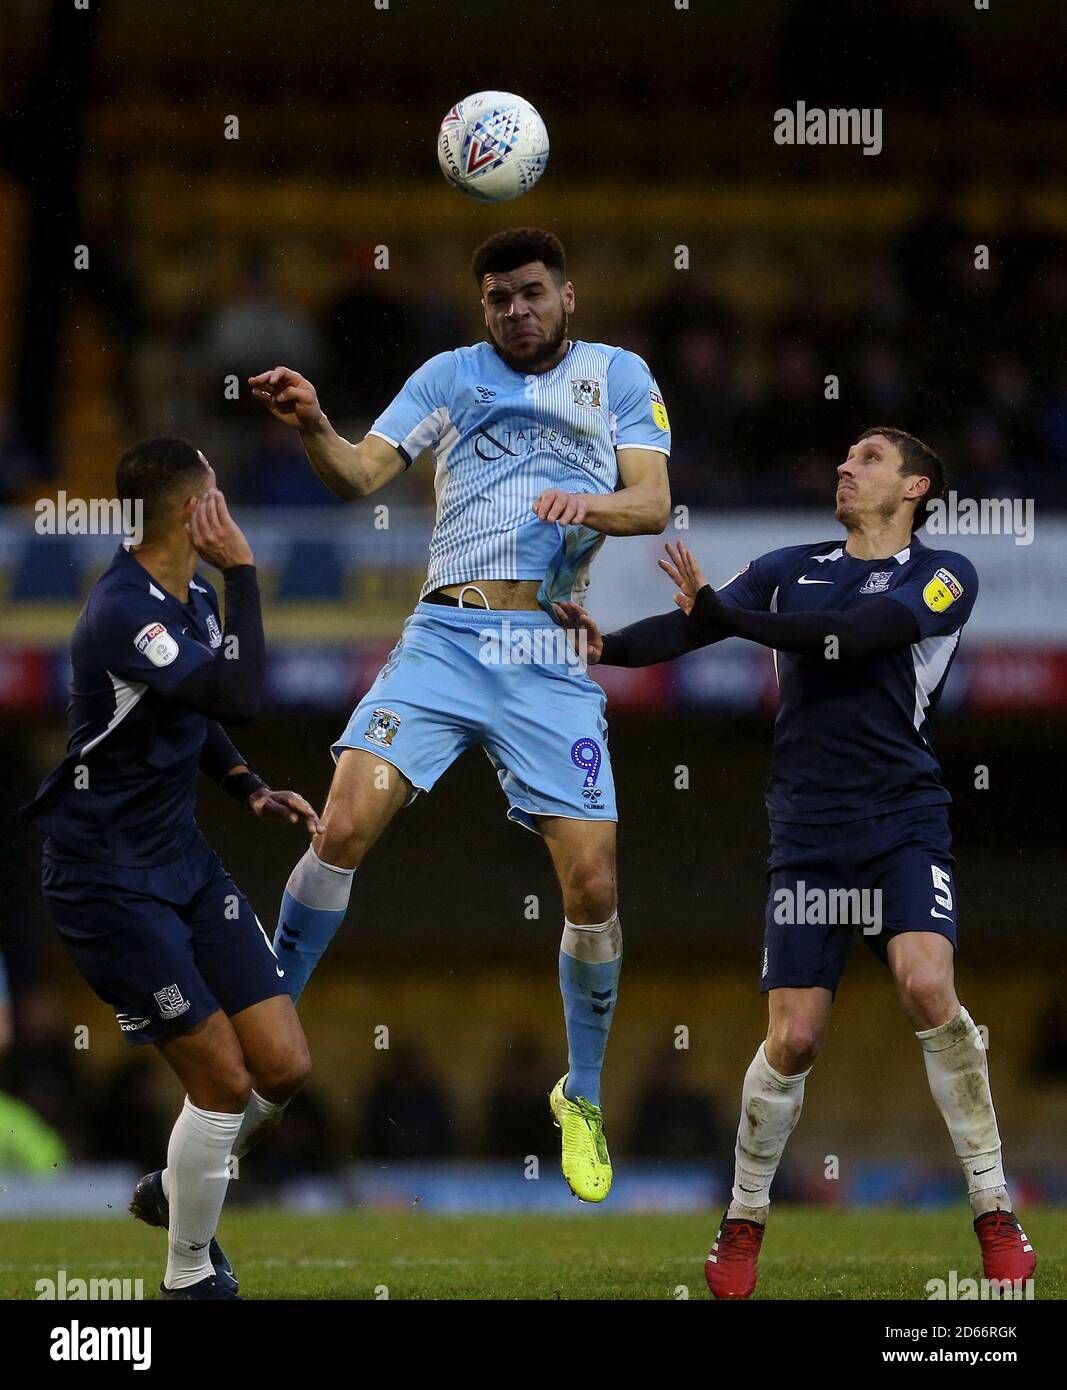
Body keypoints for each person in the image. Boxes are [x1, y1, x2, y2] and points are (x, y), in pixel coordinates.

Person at [559, 427, 1037, 1296]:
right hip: (810, 835)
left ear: (916, 486)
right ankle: (742, 1222)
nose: (845, 467)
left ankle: (994, 1211)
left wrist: (724, 615)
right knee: (794, 1039)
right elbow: (687, 628)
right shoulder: (789, 564)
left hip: (900, 823)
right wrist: (607, 649)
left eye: (867, 459)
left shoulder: (944, 574)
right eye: (844, 455)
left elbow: (852, 637)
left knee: (929, 989)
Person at [249, 226, 671, 1202]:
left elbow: (649, 502)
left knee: (594, 884)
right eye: (497, 299)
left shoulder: (616, 375)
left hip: (542, 655)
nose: (514, 309)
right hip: (443, 638)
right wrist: (314, 421)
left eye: (530, 293)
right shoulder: (447, 374)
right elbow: (359, 475)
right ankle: (266, 1018)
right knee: (344, 820)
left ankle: (583, 1092)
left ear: (567, 295)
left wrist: (584, 506)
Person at [22, 438, 323, 1299]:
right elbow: (243, 695)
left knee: (284, 1067)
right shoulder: (125, 610)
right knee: (224, 1082)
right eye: (217, 490)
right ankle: (189, 1272)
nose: (226, 503)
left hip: (181, 861)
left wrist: (247, 788)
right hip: (105, 883)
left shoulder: (185, 593)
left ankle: (174, 1186)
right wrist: (247, 575)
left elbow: (202, 710)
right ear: (195, 512)